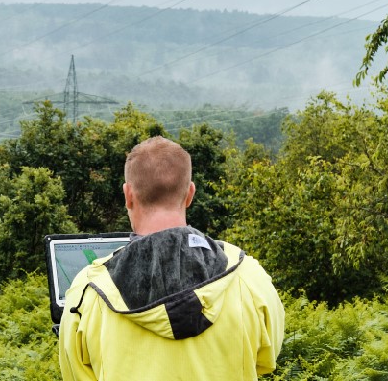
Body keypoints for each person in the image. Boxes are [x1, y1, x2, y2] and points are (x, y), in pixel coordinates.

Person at [58, 136, 285, 380]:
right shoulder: (248, 277)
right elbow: (265, 359)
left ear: (128, 195)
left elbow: (75, 374)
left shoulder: (87, 292)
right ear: (190, 194)